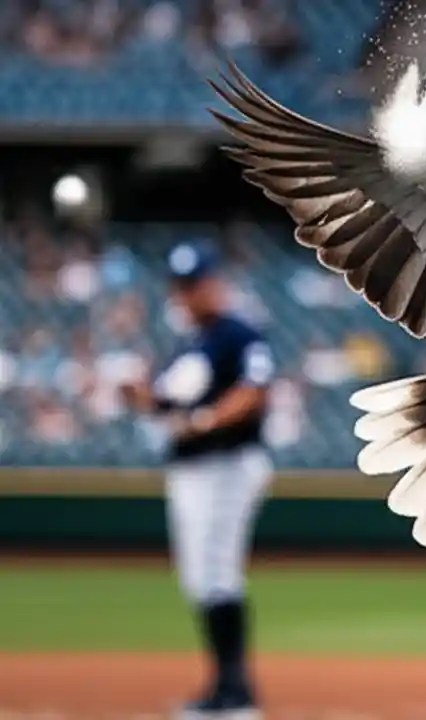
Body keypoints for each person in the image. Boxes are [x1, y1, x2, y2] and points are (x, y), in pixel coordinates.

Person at [122, 241, 273, 719]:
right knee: (199, 578)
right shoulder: (189, 344)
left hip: (227, 464)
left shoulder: (238, 333)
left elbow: (253, 393)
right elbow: (165, 405)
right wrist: (137, 395)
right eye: (181, 286)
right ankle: (226, 687)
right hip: (190, 469)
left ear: (213, 283)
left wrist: (206, 420)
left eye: (195, 283)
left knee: (216, 572)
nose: (188, 293)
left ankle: (235, 693)